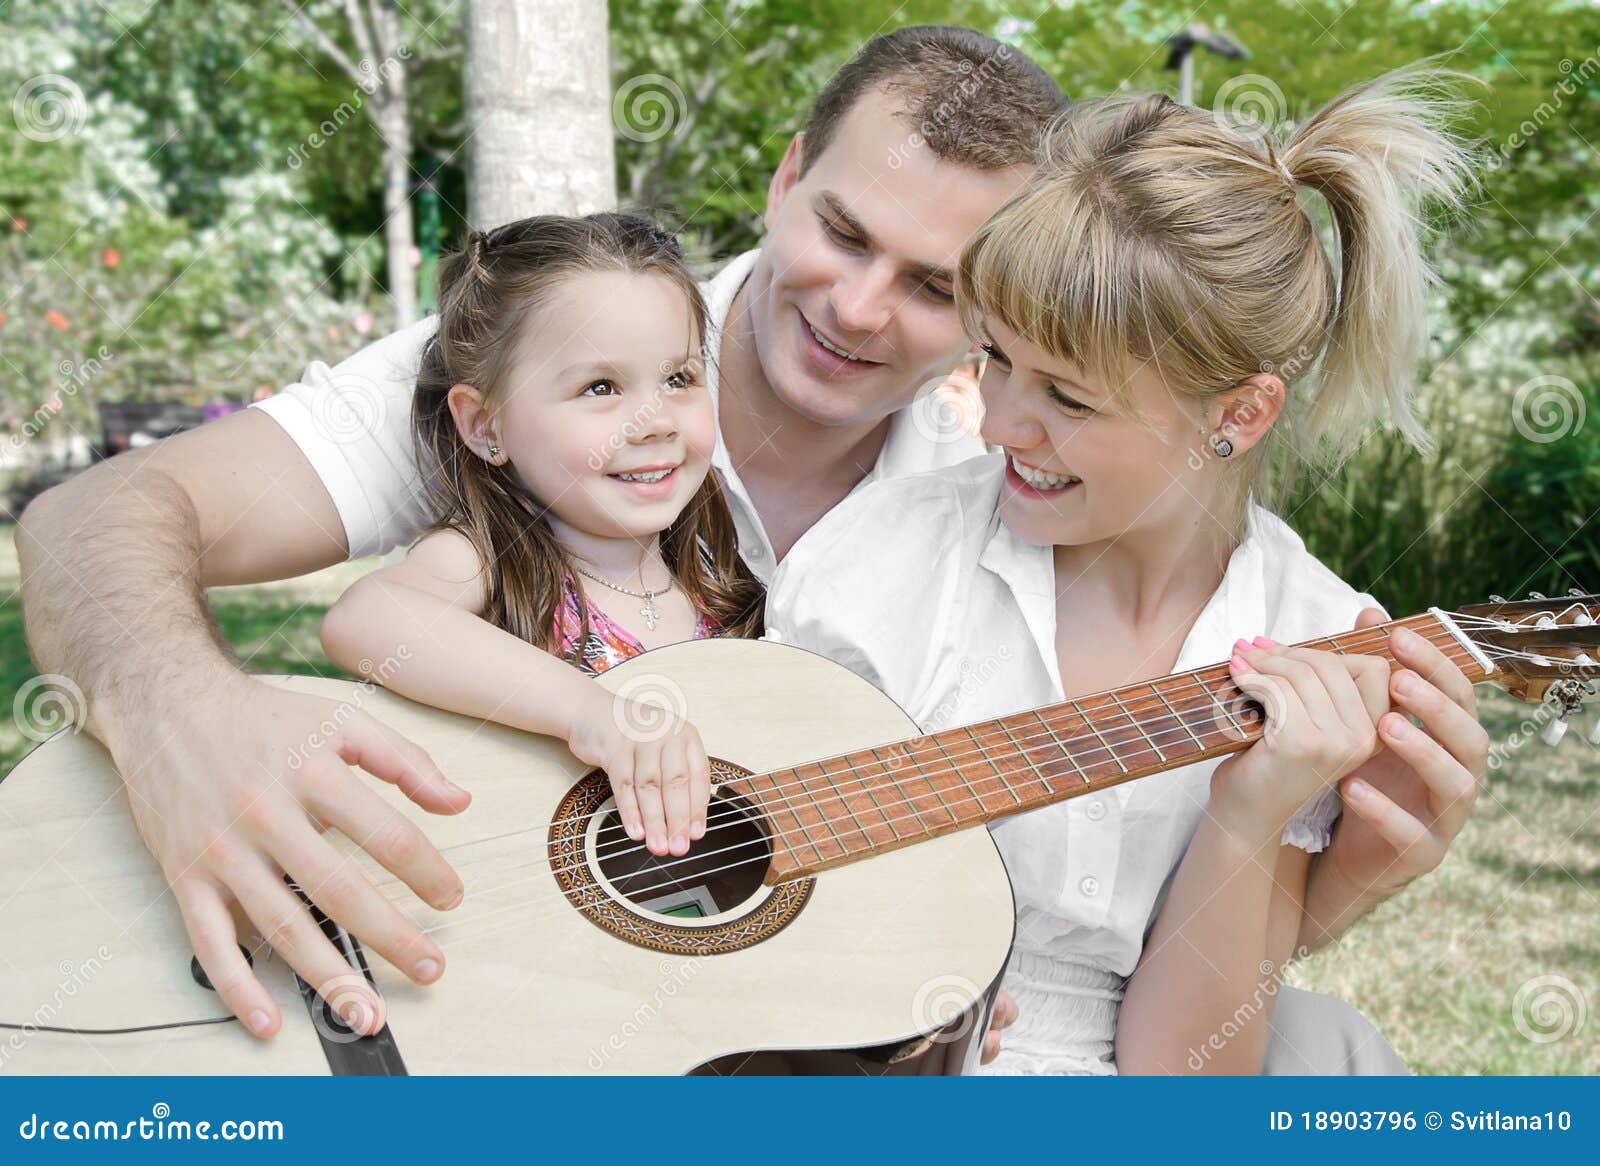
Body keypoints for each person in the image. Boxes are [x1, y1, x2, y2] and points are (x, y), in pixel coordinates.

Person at [14, 28, 1481, 1066]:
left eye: (934, 286)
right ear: (784, 177)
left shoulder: (1001, 465)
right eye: (841, 229)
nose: (853, 306)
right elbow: (95, 519)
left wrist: (1299, 878)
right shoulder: (567, 361)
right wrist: (185, 715)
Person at [762, 66, 1489, 1074]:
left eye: (1067, 396)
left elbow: (1181, 1083)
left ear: (1237, 413)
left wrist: (1253, 806)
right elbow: (750, 922)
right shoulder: (884, 561)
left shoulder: (1313, 631)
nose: (1005, 421)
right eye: (996, 357)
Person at [319, 212, 764, 889]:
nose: (657, 422)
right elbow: (366, 620)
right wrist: (589, 712)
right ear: (486, 424)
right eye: (600, 388)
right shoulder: (498, 558)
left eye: (678, 378)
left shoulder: (718, 576)